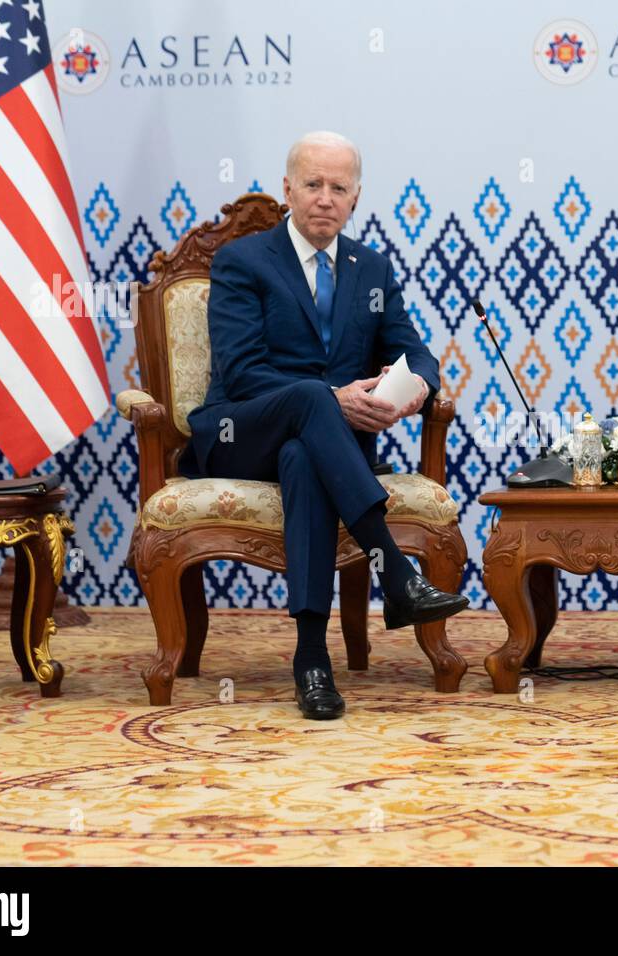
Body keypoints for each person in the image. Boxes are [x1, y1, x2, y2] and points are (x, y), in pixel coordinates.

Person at [178, 131, 468, 720]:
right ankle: (396, 574)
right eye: (313, 184)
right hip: (240, 433)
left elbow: (416, 352)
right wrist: (331, 399)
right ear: (288, 189)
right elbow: (239, 370)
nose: (324, 199)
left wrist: (412, 393)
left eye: (339, 188)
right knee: (312, 398)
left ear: (356, 197)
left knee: (304, 458)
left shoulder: (371, 270)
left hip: (320, 450)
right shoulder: (243, 261)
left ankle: (311, 659)